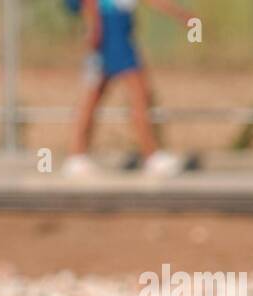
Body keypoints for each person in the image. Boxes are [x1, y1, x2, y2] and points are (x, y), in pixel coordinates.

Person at [64, 0, 194, 177]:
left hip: (116, 29)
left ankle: (77, 156)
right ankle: (151, 155)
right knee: (138, 93)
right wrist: (95, 27)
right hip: (111, 29)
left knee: (97, 95)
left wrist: (180, 14)